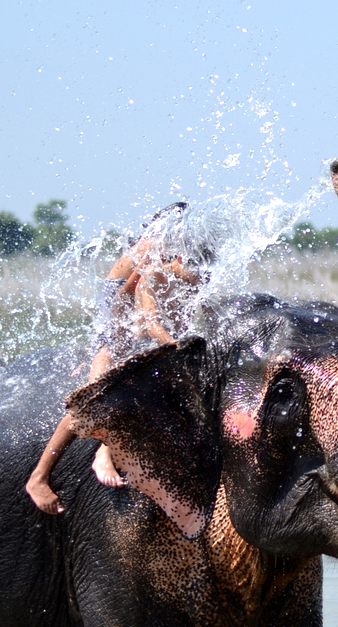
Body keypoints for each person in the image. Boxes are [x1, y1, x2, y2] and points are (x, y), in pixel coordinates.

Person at [25, 203, 210, 515]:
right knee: (97, 394)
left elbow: (190, 311)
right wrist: (115, 345)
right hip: (118, 301)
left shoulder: (191, 264)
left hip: (135, 305)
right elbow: (126, 298)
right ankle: (40, 477)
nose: (201, 279)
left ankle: (107, 448)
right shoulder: (154, 253)